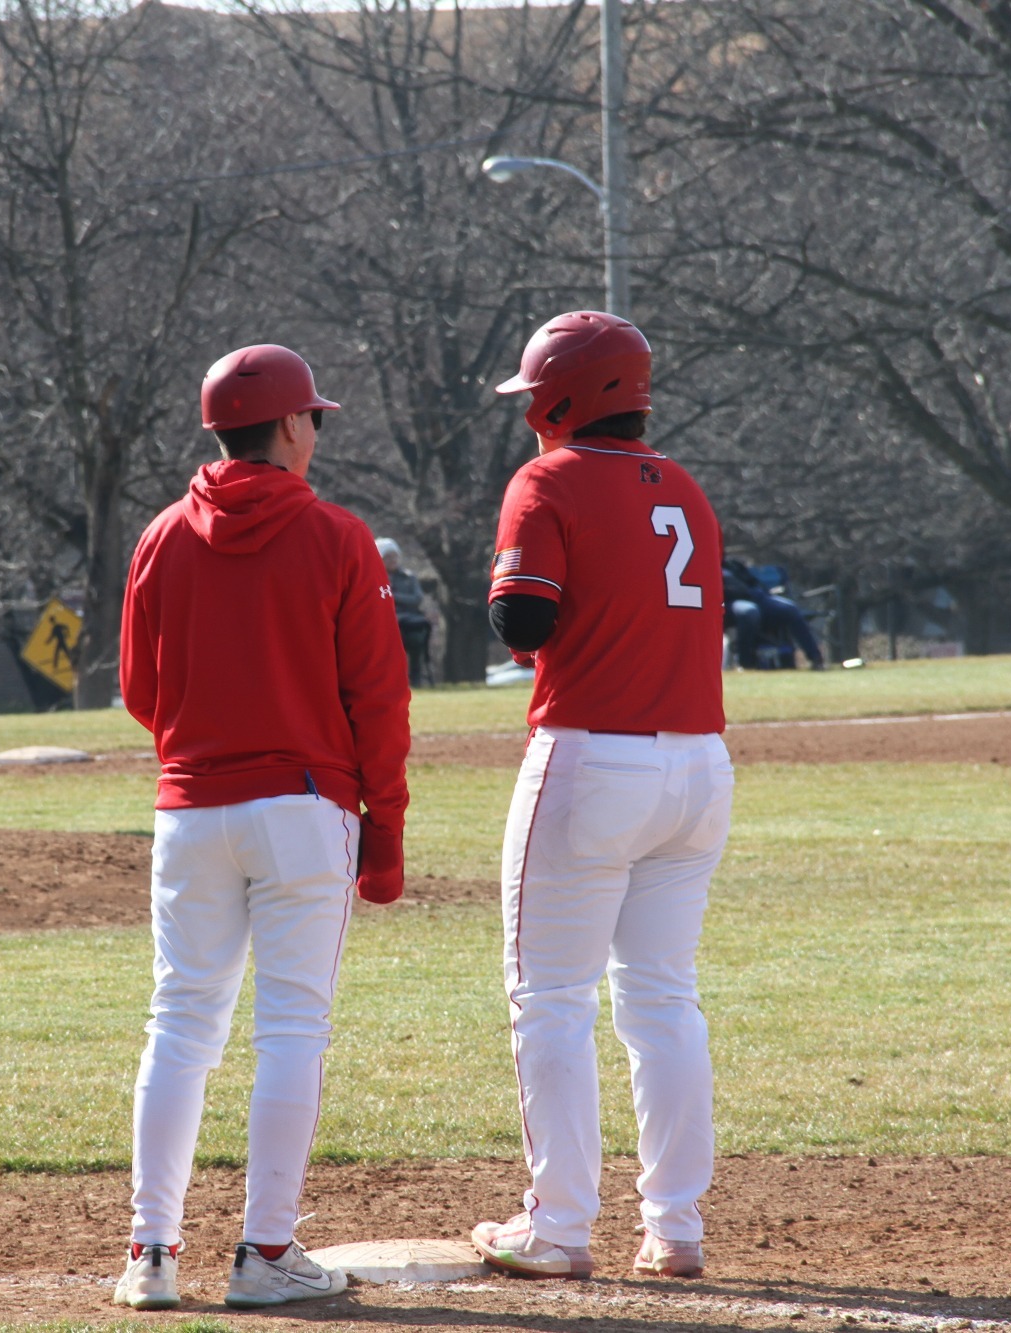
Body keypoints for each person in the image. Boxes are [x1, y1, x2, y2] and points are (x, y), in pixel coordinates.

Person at [113, 344, 410, 1312]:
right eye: (313, 417)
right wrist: (386, 827)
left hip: (188, 807)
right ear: (288, 425)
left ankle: (149, 1255)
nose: (316, 431)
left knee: (179, 1023)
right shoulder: (335, 535)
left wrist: (206, 742)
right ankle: (265, 1253)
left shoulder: (161, 533)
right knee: (290, 1027)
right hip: (301, 804)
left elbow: (138, 691)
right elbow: (377, 697)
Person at [473, 311, 734, 1282]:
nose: (526, 414)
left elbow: (521, 618)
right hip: (697, 767)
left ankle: (556, 1226)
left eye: (531, 395)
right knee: (662, 997)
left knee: (548, 998)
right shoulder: (685, 491)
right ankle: (673, 1226)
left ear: (564, 394)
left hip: (592, 760)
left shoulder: (545, 480)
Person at [720, 556, 824, 669]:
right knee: (749, 611)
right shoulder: (708, 566)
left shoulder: (732, 565)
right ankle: (745, 662)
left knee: (790, 609)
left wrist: (757, 592)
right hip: (730, 602)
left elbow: (752, 582)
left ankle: (815, 658)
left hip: (756, 598)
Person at [376, 537, 433, 686]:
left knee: (417, 641)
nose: (392, 560)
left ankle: (416, 679)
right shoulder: (376, 577)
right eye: (387, 557)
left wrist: (393, 597)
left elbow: (417, 599)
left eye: (394, 556)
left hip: (410, 622)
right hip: (386, 623)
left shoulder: (409, 577)